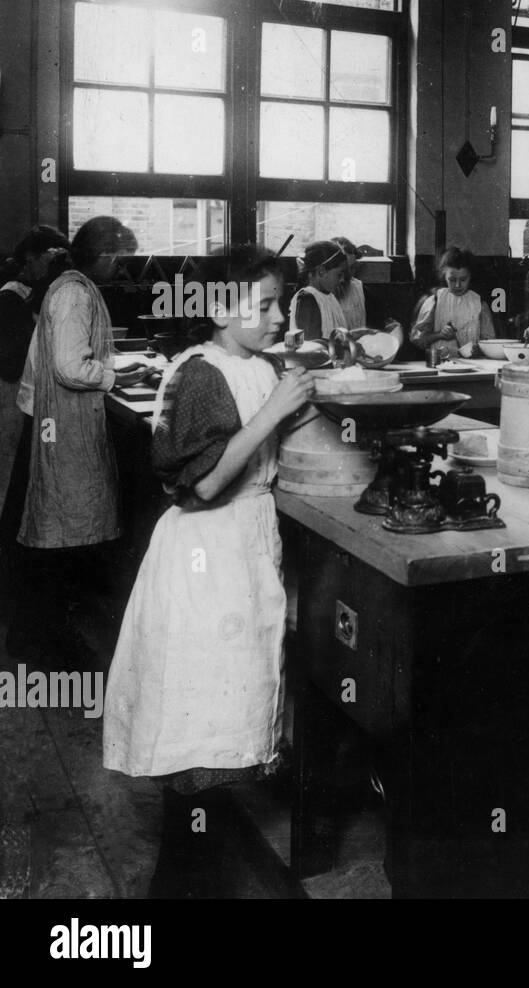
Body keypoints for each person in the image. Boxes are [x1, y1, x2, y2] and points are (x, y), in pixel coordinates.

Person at [103, 244, 315, 898]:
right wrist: (276, 411)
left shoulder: (258, 363)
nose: (280, 315)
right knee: (200, 735)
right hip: (203, 559)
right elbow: (204, 486)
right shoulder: (199, 372)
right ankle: (184, 883)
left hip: (244, 549)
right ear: (220, 308)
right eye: (267, 303)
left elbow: (274, 444)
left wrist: (300, 402)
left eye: (280, 301)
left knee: (231, 725)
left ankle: (198, 872)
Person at [9, 216, 147, 664]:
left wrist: (107, 367)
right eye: (119, 259)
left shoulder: (69, 286)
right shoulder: (73, 293)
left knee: (52, 530)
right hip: (58, 425)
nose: (122, 268)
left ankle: (38, 634)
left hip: (50, 419)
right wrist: (111, 375)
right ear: (103, 256)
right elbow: (70, 367)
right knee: (58, 531)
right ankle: (45, 641)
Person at [0, 226, 70, 533]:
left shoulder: (29, 293)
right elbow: (12, 363)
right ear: (30, 257)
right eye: (49, 258)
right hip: (8, 398)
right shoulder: (11, 296)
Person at [410, 246, 495, 357]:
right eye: (452, 279)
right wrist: (439, 335)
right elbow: (417, 339)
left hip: (473, 366)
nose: (457, 285)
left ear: (471, 276)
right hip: (440, 364)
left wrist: (478, 350)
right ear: (444, 275)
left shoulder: (479, 303)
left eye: (463, 279)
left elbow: (490, 341)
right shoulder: (435, 300)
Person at [287, 240, 349, 342]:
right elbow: (311, 345)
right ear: (321, 272)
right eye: (339, 274)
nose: (342, 279)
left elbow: (335, 334)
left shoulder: (329, 296)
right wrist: (346, 345)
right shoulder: (307, 298)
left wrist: (356, 335)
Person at [331, 236, 367, 330]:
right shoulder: (314, 295)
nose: (343, 279)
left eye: (351, 269)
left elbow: (385, 320)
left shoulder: (359, 288)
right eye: (341, 271)